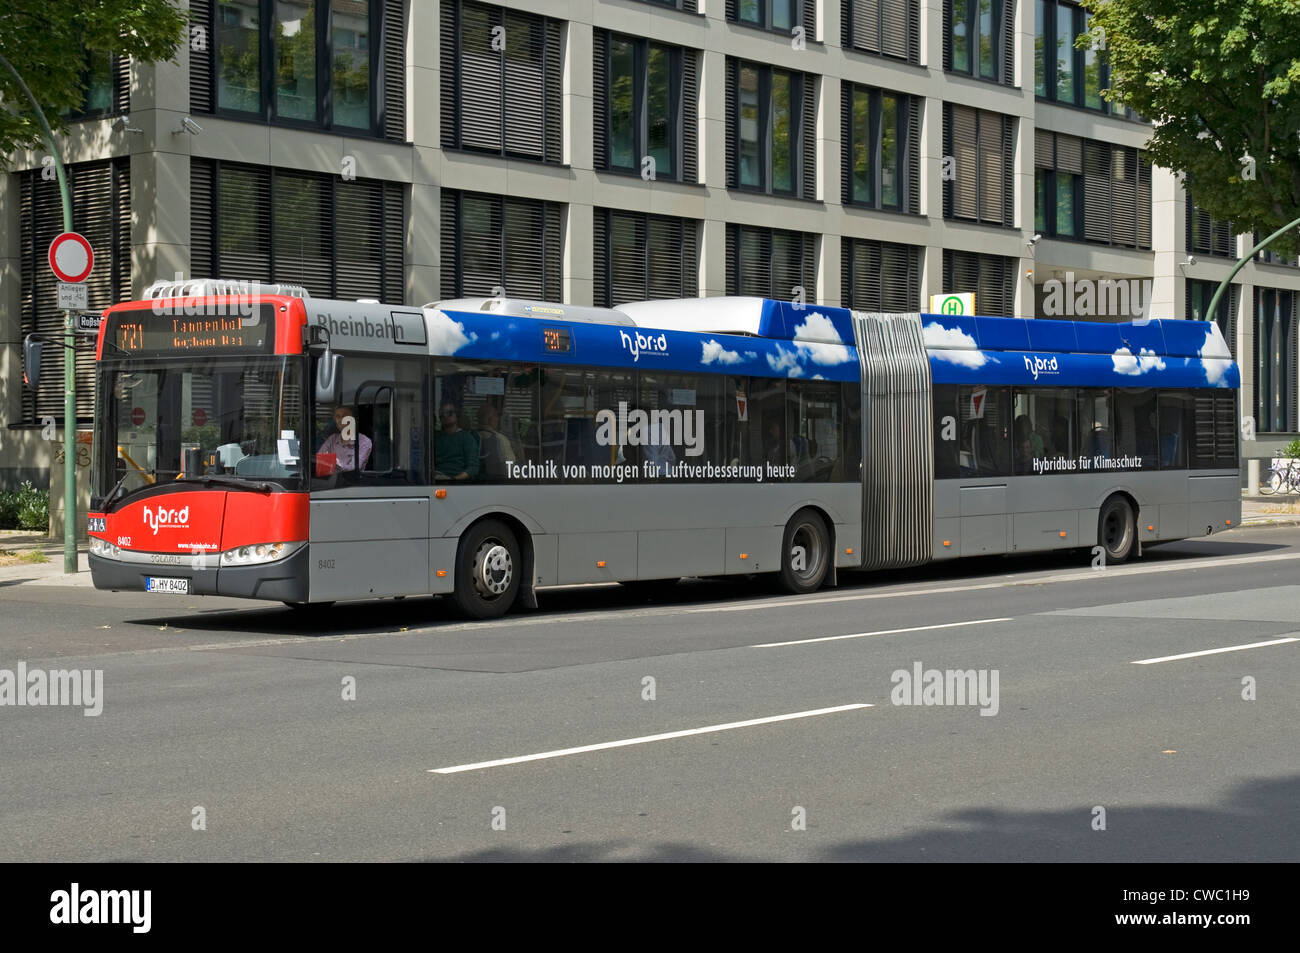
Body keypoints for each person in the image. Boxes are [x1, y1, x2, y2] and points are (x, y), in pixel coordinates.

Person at [318, 404, 372, 472]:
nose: (341, 420)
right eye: (338, 416)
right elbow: (320, 462)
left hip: (352, 481)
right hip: (330, 481)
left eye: (345, 416)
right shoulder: (332, 439)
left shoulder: (364, 441)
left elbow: (353, 467)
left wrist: (332, 463)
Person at [435, 401, 479, 480]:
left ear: (456, 415)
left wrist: (454, 480)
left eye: (449, 413)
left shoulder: (467, 438)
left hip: (457, 482)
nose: (445, 416)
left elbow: (473, 468)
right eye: (442, 414)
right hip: (434, 479)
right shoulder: (435, 438)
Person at [477, 403, 521, 478]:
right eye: (496, 416)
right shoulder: (500, 439)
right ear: (489, 419)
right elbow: (511, 467)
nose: (498, 419)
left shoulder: (471, 436)